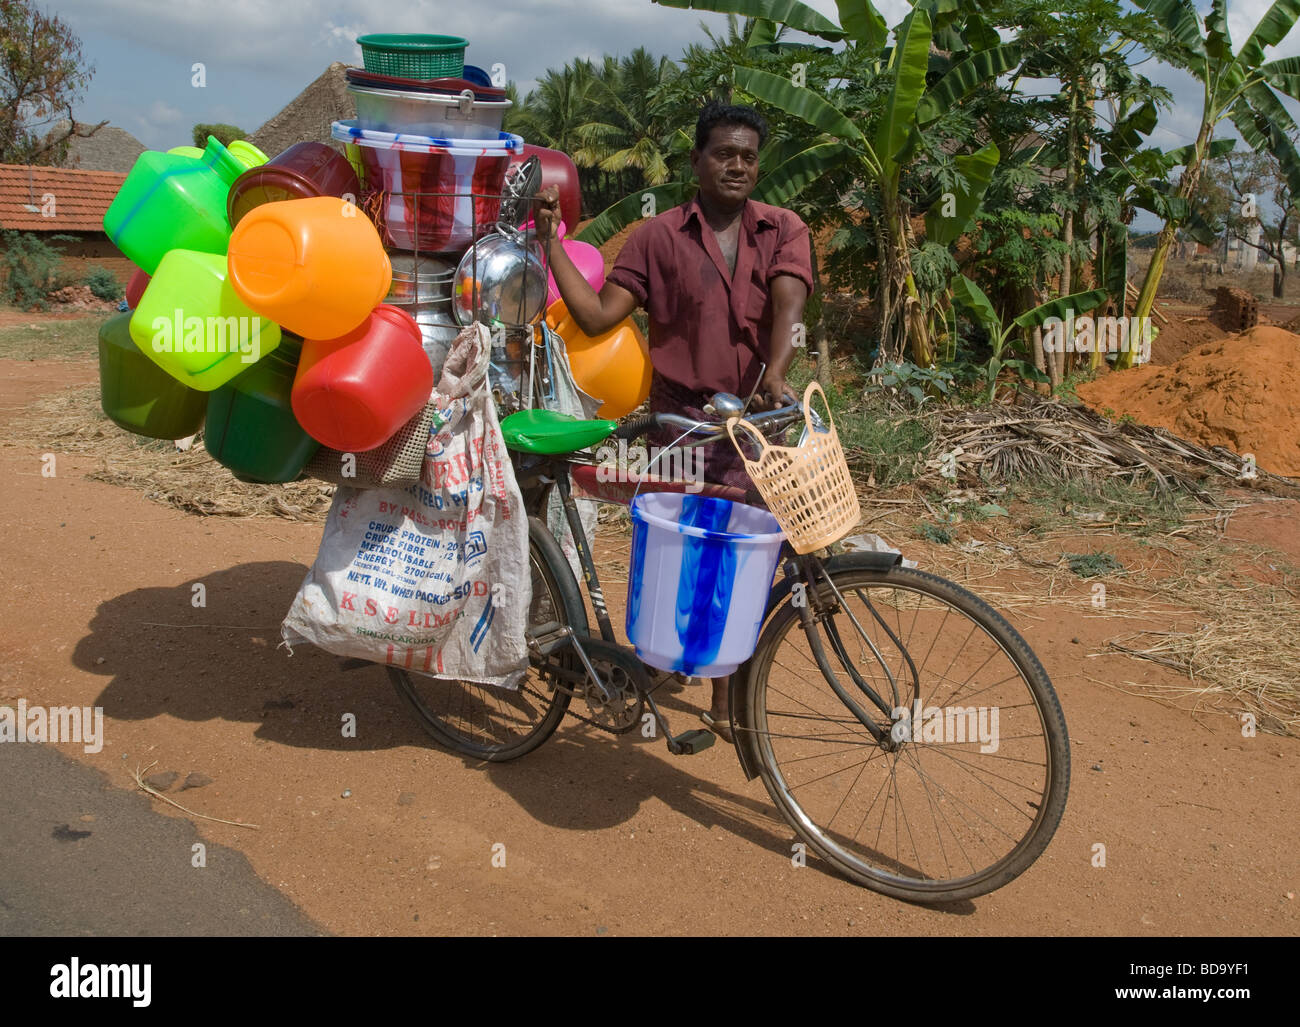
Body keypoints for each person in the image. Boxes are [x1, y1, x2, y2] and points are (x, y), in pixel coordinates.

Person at [531, 100, 814, 743]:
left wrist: (777, 368)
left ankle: (724, 700)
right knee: (679, 550)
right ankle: (666, 664)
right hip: (680, 423)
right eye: (723, 153)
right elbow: (601, 316)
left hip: (754, 424)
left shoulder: (783, 229)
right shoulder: (657, 236)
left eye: (747, 156)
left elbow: (791, 308)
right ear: (696, 161)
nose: (736, 166)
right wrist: (551, 243)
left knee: (740, 558)